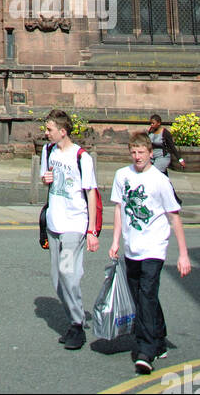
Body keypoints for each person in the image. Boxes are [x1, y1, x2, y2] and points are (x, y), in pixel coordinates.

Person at [109, 131, 191, 375]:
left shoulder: (160, 180)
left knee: (146, 295)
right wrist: (115, 242)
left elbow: (174, 218)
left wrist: (183, 254)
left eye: (141, 152)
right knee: (142, 297)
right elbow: (119, 209)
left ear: (150, 154)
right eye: (133, 152)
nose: (137, 157)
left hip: (154, 247)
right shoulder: (121, 175)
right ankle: (160, 336)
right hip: (131, 246)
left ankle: (146, 350)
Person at [40, 109, 99, 349]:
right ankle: (75, 319)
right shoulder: (48, 151)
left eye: (49, 129)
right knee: (57, 279)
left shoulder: (81, 157)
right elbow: (45, 178)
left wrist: (92, 230)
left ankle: (77, 325)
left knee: (68, 274)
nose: (45, 133)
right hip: (54, 222)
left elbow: (91, 193)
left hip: (74, 224)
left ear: (62, 132)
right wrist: (46, 179)